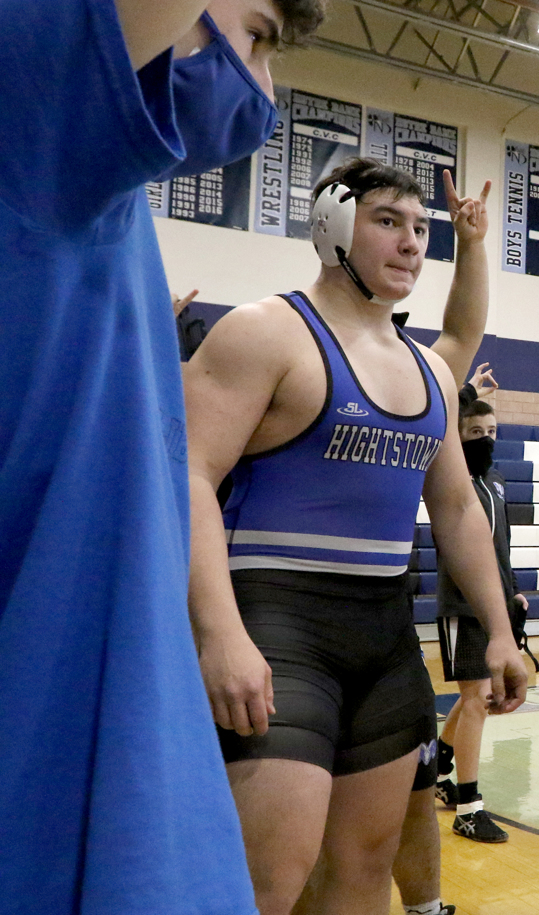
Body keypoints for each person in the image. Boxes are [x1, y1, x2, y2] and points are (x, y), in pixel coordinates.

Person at [0, 1, 323, 910]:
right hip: (57, 801)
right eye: (257, 35)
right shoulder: (29, 104)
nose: (263, 88)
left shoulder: (103, 194)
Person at [184, 157, 528, 915]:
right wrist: (219, 635)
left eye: (420, 228)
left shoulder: (431, 373)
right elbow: (187, 478)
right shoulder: (266, 331)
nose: (411, 243)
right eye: (387, 221)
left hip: (382, 633)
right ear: (333, 226)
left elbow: (460, 510)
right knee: (268, 875)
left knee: (365, 870)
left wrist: (501, 630)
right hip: (276, 625)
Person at [433, 394, 531, 843]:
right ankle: (468, 808)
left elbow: (501, 549)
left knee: (474, 696)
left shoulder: (496, 481)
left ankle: (438, 767)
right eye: (476, 433)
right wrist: (464, 389)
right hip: (459, 607)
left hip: (495, 610)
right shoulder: (451, 482)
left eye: (492, 432)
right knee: (479, 699)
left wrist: (512, 596)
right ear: (458, 436)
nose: (486, 439)